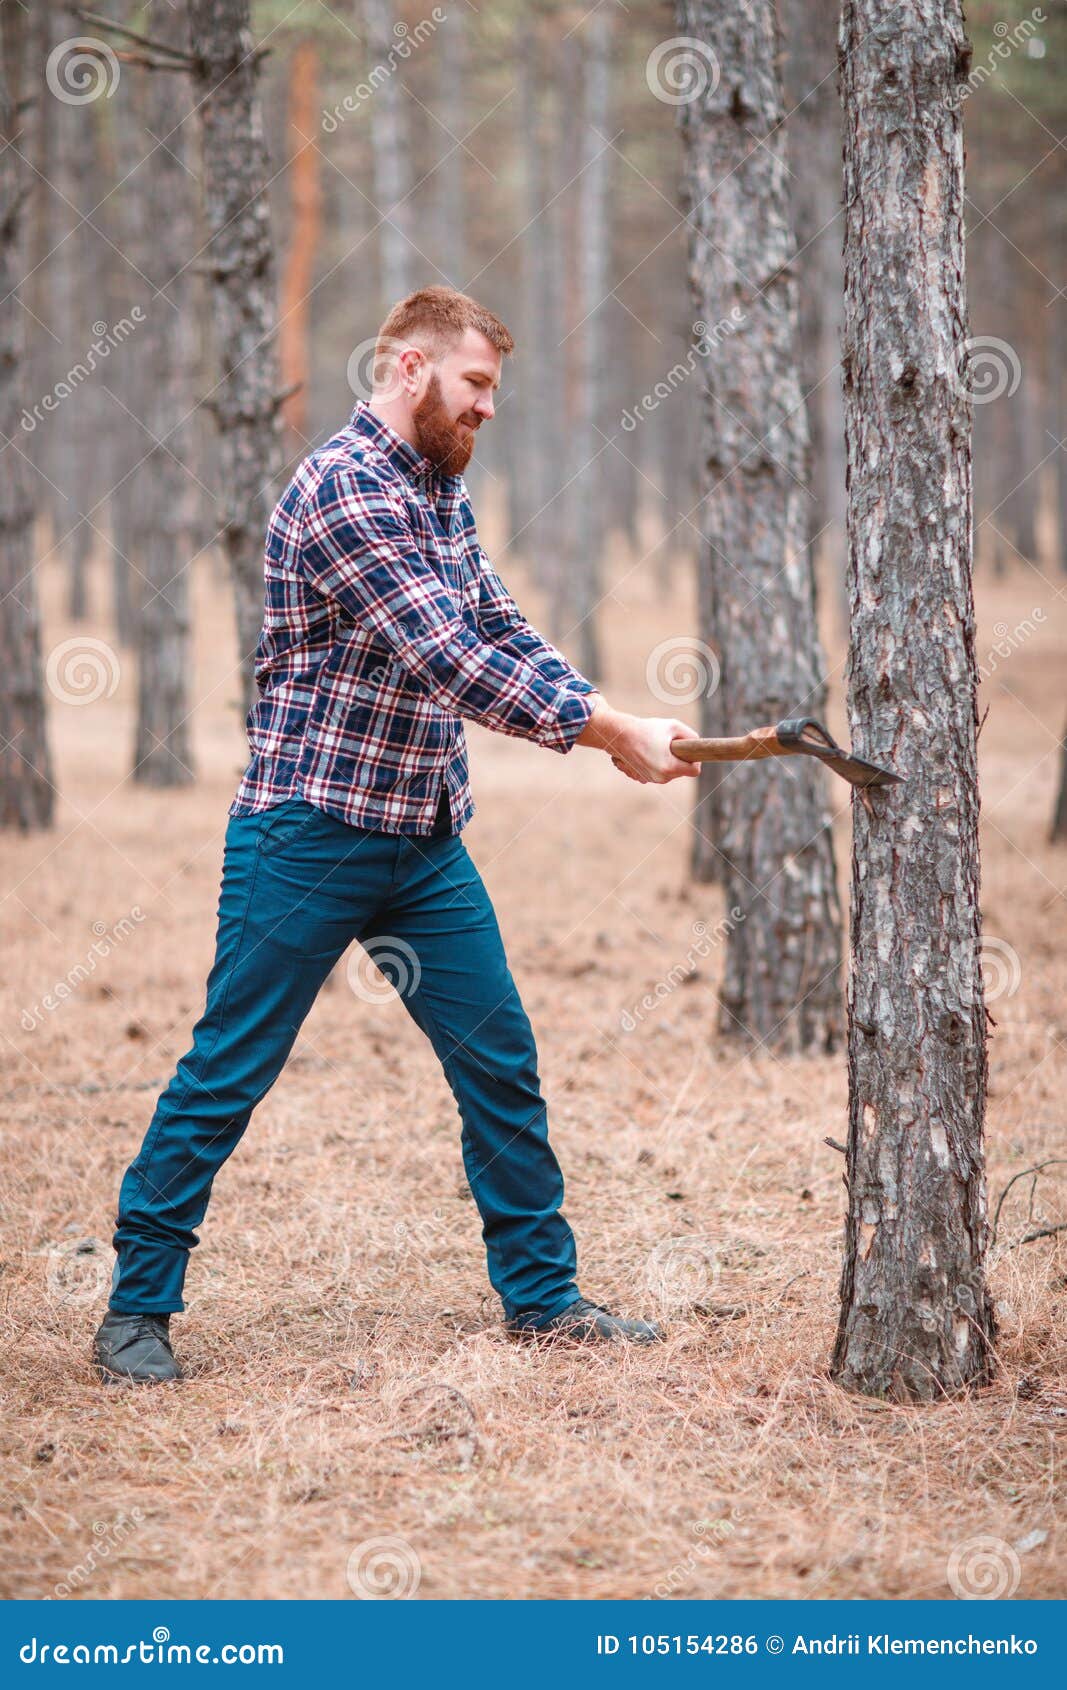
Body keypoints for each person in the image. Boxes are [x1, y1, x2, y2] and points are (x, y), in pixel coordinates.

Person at [93, 285, 699, 1384]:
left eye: (494, 391)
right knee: (229, 1069)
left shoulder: (434, 489)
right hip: (308, 832)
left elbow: (496, 624)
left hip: (420, 838)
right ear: (408, 368)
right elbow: (449, 661)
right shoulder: (345, 488)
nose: (486, 409)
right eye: (474, 385)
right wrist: (609, 729)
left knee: (498, 1061)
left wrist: (608, 724)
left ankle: (542, 1298)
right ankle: (137, 1308)